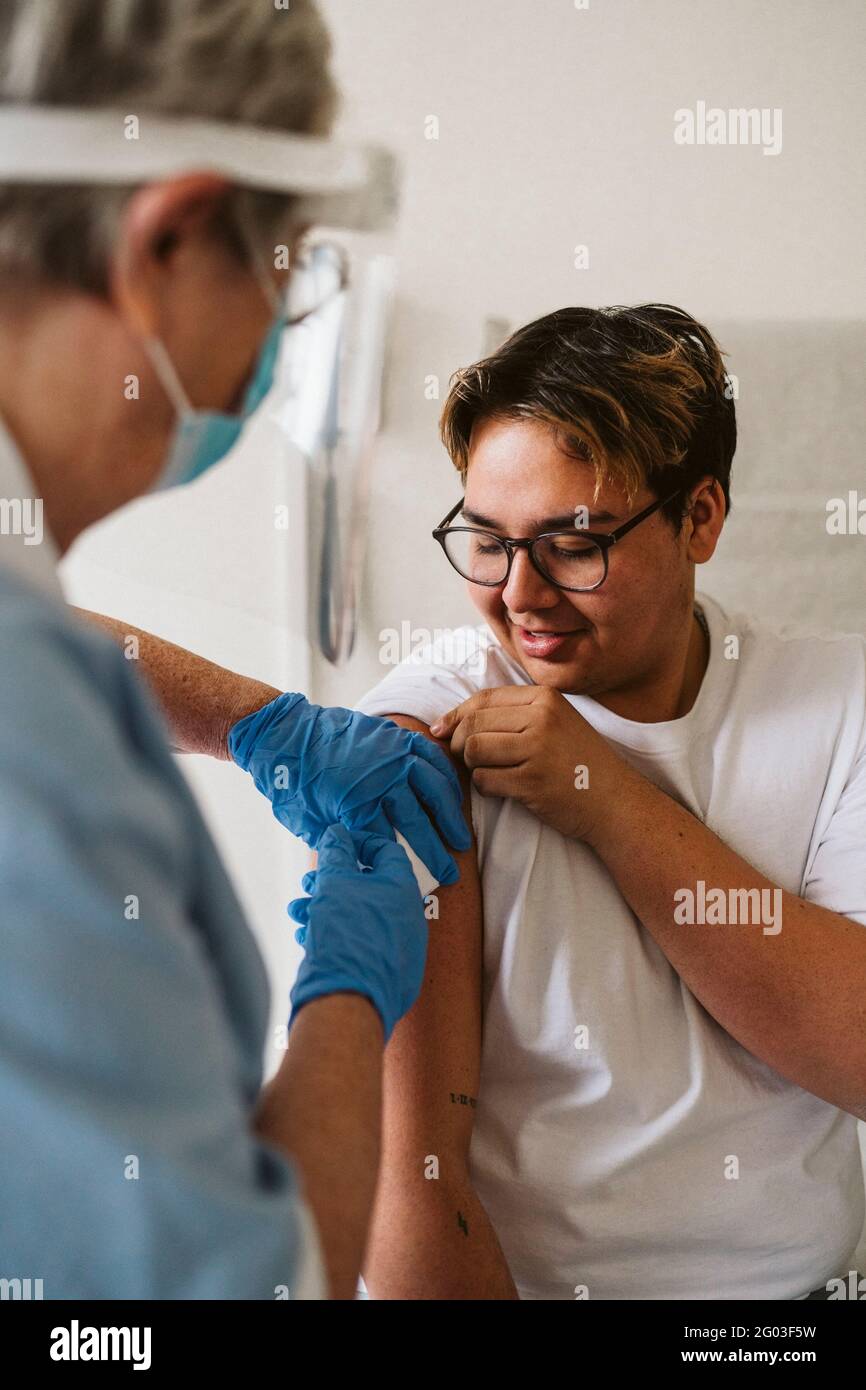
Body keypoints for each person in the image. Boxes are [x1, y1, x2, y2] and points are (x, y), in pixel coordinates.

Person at [0, 0, 468, 1300]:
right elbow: (240, 1290)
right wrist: (347, 988)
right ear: (167, 238)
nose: (269, 348)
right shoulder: (33, 729)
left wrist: (261, 718)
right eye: (283, 275)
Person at [351, 304, 866, 1300]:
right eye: (486, 541)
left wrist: (602, 796)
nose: (519, 594)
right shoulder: (417, 736)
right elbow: (408, 1181)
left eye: (573, 544)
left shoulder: (839, 706)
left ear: (700, 517)